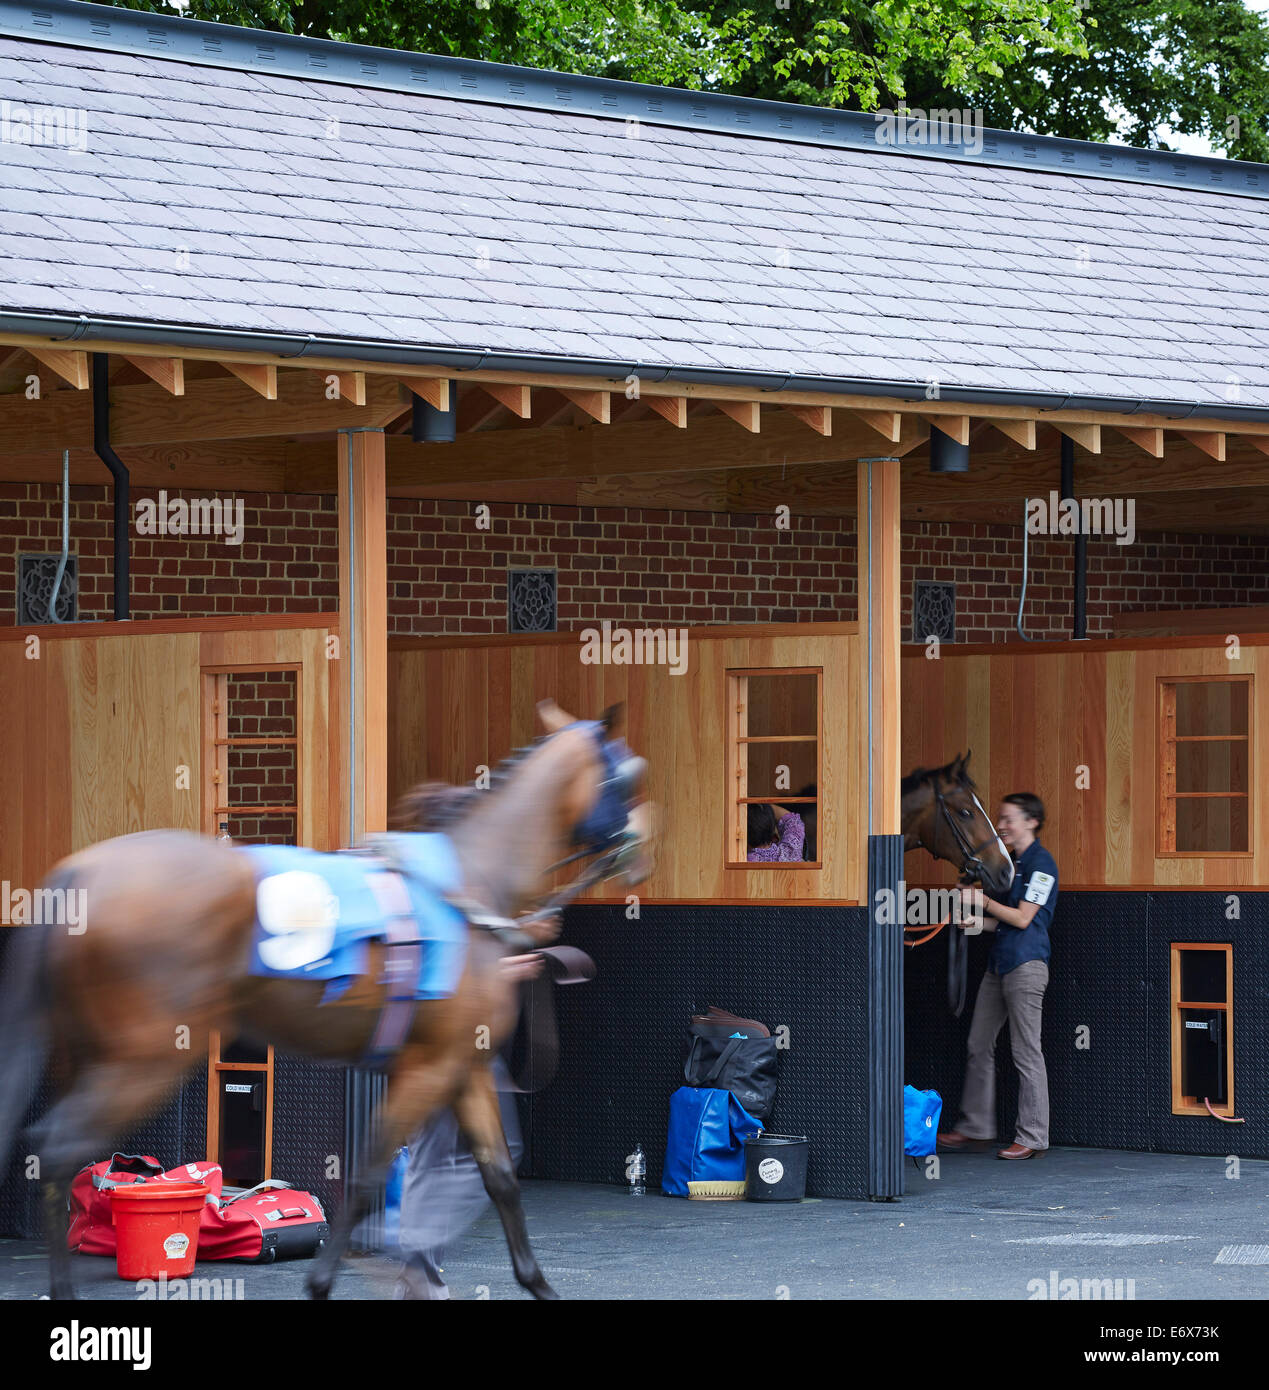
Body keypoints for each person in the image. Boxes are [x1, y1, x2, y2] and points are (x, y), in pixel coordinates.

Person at [937, 793, 1058, 1161]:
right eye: (1001, 819)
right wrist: (977, 923)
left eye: (1008, 819)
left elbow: (1023, 919)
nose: (1001, 825)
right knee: (978, 1043)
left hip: (1026, 966)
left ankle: (1033, 1136)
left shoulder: (1042, 864)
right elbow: (1006, 922)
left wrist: (982, 903)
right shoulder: (1014, 864)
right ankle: (975, 1127)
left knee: (1025, 1051)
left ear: (1031, 822)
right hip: (1000, 964)